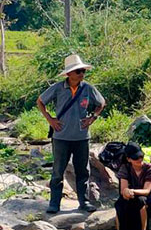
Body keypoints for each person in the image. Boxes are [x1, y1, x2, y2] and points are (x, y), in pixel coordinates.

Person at [37, 53, 106, 215]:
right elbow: (40, 101)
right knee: (57, 171)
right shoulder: (58, 88)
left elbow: (101, 103)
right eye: (78, 71)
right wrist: (50, 120)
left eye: (83, 71)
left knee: (83, 170)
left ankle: (84, 202)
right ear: (69, 74)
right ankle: (54, 203)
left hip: (82, 137)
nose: (81, 74)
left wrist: (92, 118)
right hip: (60, 137)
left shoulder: (88, 88)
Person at [115, 142, 151, 230]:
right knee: (120, 204)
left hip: (147, 198)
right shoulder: (125, 168)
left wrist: (132, 191)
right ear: (129, 159)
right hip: (131, 196)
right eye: (135, 158)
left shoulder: (149, 168)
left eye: (140, 156)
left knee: (140, 202)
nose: (139, 160)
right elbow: (123, 189)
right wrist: (126, 192)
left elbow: (146, 191)